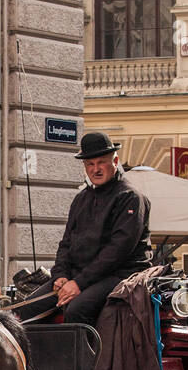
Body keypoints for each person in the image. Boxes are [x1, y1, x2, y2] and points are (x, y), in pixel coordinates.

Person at [47, 131, 153, 325]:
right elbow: (66, 243)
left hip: (120, 275)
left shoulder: (130, 197)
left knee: (77, 309)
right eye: (90, 164)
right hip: (79, 275)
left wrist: (79, 283)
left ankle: (86, 356)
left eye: (101, 162)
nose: (95, 169)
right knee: (27, 307)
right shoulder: (81, 199)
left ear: (115, 161)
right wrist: (60, 275)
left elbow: (117, 251)